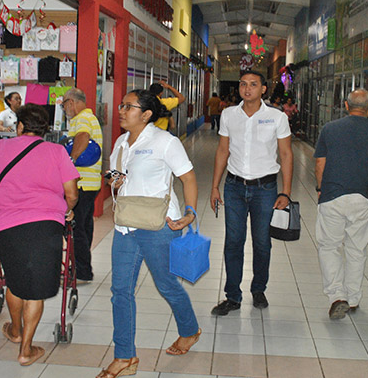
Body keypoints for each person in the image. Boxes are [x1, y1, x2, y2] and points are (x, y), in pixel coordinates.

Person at [99, 90, 200, 378]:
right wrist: (115, 181)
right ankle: (124, 357)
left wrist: (189, 213)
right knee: (120, 291)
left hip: (159, 225)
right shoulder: (120, 142)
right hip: (125, 226)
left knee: (167, 285)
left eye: (128, 107)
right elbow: (114, 175)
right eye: (121, 105)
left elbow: (188, 177)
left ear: (146, 114)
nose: (121, 110)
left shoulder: (164, 142)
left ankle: (190, 330)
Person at [0, 104, 79, 366]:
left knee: (15, 279)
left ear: (19, 126)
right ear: (45, 129)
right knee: (36, 289)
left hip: (6, 224)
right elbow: (72, 194)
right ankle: (26, 350)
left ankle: (16, 332)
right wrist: (68, 211)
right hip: (45, 224)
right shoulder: (57, 151)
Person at [210, 70, 293, 315]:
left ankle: (258, 289)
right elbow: (222, 151)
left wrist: (286, 192)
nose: (247, 89)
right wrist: (215, 186)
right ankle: (232, 296)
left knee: (262, 243)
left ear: (263, 89)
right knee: (233, 242)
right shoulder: (228, 115)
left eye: (253, 85)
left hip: (265, 189)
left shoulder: (277, 117)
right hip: (234, 187)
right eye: (243, 84)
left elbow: (286, 155)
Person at [314, 89, 368, 319]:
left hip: (332, 195)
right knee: (356, 248)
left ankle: (336, 296)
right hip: (363, 197)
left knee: (329, 246)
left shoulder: (330, 129)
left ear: (345, 105)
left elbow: (320, 163)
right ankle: (352, 298)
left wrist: (321, 188)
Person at [62, 87, 103, 282]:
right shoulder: (90, 116)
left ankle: (81, 271)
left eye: (64, 104)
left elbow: (83, 137)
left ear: (71, 102)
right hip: (91, 183)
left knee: (75, 227)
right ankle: (83, 267)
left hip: (81, 183)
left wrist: (70, 162)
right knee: (85, 227)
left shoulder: (81, 119)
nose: (64, 109)